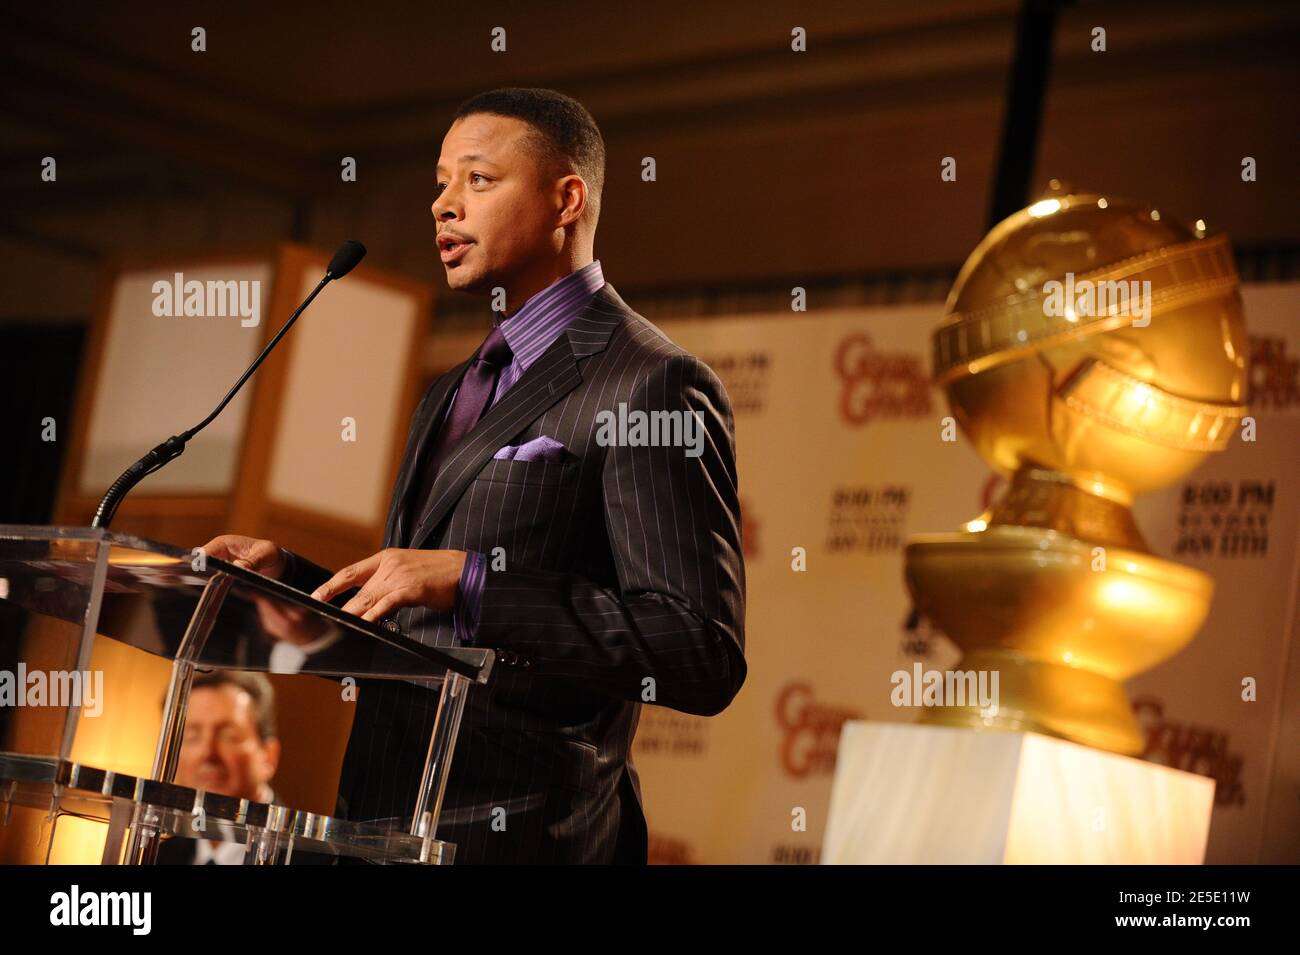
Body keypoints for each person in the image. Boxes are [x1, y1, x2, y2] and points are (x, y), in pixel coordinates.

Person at [202, 87, 746, 864]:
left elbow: (697, 648)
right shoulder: (450, 390)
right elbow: (421, 626)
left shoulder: (651, 382)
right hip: (381, 826)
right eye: (440, 182)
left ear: (567, 200)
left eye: (478, 179)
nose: (443, 205)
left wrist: (474, 583)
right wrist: (294, 588)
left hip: (528, 838)